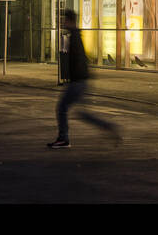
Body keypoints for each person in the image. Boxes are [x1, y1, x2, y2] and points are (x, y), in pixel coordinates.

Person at [48, 9, 119, 148]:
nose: (62, 22)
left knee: (62, 108)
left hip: (78, 82)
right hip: (80, 81)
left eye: (64, 20)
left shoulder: (74, 36)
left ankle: (63, 139)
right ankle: (108, 126)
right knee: (82, 113)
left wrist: (75, 78)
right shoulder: (75, 35)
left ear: (69, 21)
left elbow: (79, 60)